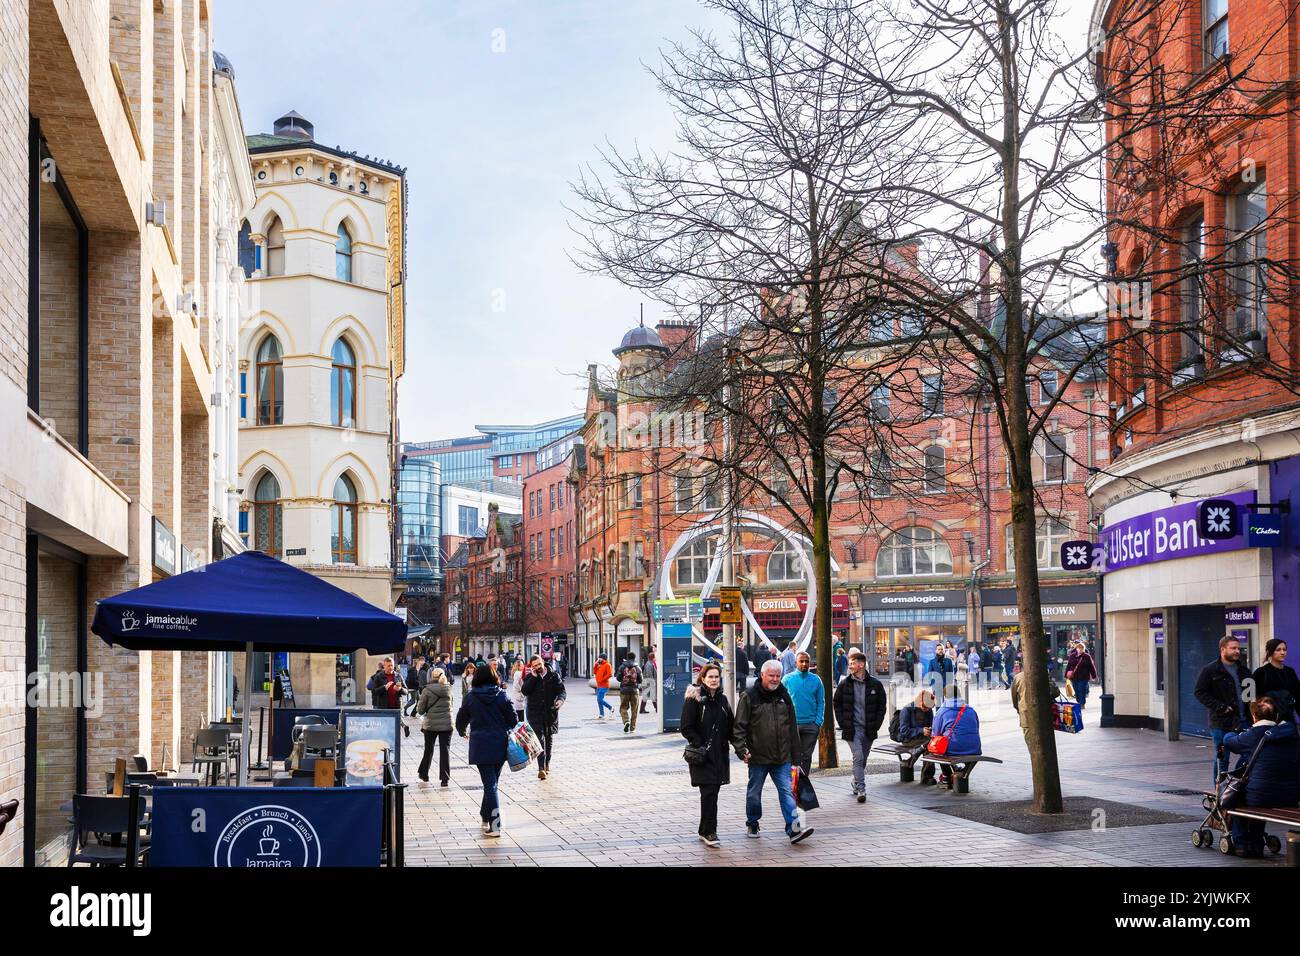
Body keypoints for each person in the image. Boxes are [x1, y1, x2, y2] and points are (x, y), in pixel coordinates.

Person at [734, 660, 813, 844]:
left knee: (787, 792)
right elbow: (739, 726)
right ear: (762, 675)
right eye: (771, 675)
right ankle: (753, 822)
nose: (775, 679)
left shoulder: (784, 696)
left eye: (778, 676)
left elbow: (792, 728)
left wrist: (796, 756)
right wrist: (741, 750)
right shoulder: (749, 696)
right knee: (754, 793)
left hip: (782, 757)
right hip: (758, 757)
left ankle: (794, 829)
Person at [1221, 696, 1300, 857]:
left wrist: (1230, 734)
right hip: (1291, 796)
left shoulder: (1253, 734)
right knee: (1259, 796)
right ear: (1276, 716)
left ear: (1254, 716)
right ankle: (1256, 844)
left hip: (1262, 797)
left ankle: (1242, 844)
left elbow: (1230, 743)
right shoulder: (1292, 735)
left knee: (1237, 800)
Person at [455, 662, 517, 838]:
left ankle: (495, 825)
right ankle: (484, 815)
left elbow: (461, 719)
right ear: (493, 676)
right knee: (492, 783)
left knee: (490, 784)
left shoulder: (471, 697)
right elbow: (513, 720)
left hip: (481, 744)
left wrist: (461, 731)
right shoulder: (502, 695)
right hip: (500, 743)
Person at [680, 661, 734, 848]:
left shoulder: (723, 700)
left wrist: (742, 749)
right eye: (710, 677)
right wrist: (699, 744)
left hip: (720, 755)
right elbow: (686, 727)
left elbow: (731, 728)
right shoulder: (694, 699)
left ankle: (704, 830)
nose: (713, 680)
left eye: (716, 677)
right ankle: (710, 832)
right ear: (702, 678)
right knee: (709, 793)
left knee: (713, 793)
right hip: (703, 756)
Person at [1194, 635, 1252, 784]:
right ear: (1223, 649)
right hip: (1221, 722)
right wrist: (1220, 707)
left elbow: (1250, 695)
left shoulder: (1244, 670)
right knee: (1222, 758)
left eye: (1238, 648)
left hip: (1243, 720)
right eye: (1233, 648)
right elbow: (1199, 692)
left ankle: (1235, 782)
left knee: (1250, 753)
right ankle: (1219, 792)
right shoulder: (1210, 670)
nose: (1237, 651)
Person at [832, 649, 887, 803]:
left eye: (853, 663)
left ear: (861, 665)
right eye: (849, 663)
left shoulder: (875, 684)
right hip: (852, 729)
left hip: (869, 728)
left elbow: (882, 705)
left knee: (863, 759)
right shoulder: (845, 684)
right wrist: (843, 723)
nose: (850, 666)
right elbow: (836, 703)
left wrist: (876, 724)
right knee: (858, 756)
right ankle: (861, 789)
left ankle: (855, 780)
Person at [521, 655, 566, 779]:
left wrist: (560, 700)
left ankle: (547, 764)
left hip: (550, 712)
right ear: (531, 666)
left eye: (539, 664)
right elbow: (525, 691)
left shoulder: (553, 675)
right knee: (539, 739)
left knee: (548, 738)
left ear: (542, 662)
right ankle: (541, 768)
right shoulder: (530, 677)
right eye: (534, 666)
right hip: (534, 713)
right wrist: (534, 678)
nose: (537, 667)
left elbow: (562, 691)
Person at [782, 651, 825, 777]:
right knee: (792, 755)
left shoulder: (816, 680)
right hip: (792, 725)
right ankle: (792, 782)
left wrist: (818, 722)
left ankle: (803, 782)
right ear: (796, 663)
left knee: (806, 756)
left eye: (807, 661)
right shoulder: (787, 679)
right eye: (801, 661)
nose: (804, 664)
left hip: (811, 725)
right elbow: (780, 702)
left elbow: (821, 702)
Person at [931, 685, 981, 787]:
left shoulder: (942, 711)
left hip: (953, 749)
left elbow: (935, 734)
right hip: (974, 748)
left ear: (945, 696)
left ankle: (946, 776)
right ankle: (962, 772)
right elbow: (976, 727)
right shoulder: (971, 710)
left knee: (939, 747)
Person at [416, 667, 453, 786]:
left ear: (432, 677)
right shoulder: (448, 689)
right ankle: (444, 779)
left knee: (429, 749)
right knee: (445, 750)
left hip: (431, 724)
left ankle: (424, 774)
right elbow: (451, 705)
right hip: (447, 724)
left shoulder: (427, 690)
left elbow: (420, 710)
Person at [896, 689, 937, 785]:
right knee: (929, 745)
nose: (927, 709)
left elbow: (931, 724)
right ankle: (927, 777)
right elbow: (904, 732)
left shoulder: (929, 710)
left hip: (923, 739)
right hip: (908, 739)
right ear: (920, 702)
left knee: (931, 744)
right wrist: (921, 730)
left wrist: (930, 730)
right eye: (925, 707)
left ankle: (927, 776)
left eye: (929, 707)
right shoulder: (907, 710)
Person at [1252, 638, 1300, 720]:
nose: (1282, 652)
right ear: (1270, 652)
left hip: (1288, 719)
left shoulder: (1290, 671)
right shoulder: (1261, 672)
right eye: (1278, 650)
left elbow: (1298, 695)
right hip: (1268, 720)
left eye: (1284, 650)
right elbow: (1252, 699)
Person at [1065, 641, 1098, 711]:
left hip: (1084, 677)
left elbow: (1091, 666)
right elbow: (1068, 665)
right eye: (1078, 648)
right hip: (1074, 677)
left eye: (1081, 648)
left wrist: (1094, 676)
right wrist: (1066, 674)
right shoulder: (1072, 656)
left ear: (1083, 649)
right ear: (1076, 648)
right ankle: (1079, 701)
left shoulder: (1087, 656)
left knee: (1081, 689)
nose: (1079, 649)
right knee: (1076, 690)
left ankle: (1082, 703)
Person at [618, 654, 644, 732]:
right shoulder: (637, 667)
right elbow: (641, 680)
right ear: (634, 658)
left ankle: (626, 721)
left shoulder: (622, 666)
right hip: (634, 691)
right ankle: (632, 728)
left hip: (624, 691)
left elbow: (618, 678)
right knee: (634, 709)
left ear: (627, 657)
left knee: (623, 707)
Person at [593, 654, 614, 719]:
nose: (598, 659)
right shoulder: (599, 665)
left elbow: (609, 674)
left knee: (599, 699)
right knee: (599, 700)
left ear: (603, 658)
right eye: (598, 658)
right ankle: (601, 714)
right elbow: (595, 672)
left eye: (600, 658)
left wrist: (602, 679)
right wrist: (596, 665)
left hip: (604, 685)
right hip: (599, 685)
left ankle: (611, 708)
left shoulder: (607, 665)